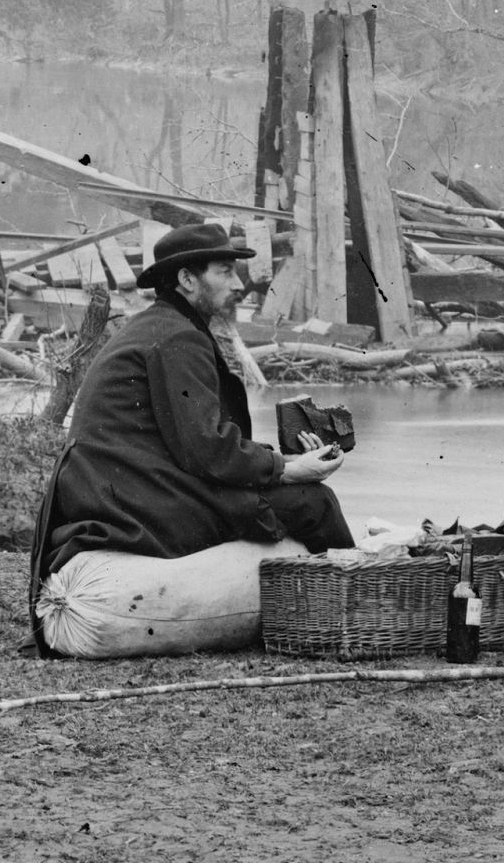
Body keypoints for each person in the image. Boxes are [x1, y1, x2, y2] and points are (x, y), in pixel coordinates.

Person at [26, 222, 354, 656]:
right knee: (315, 503)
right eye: (224, 271)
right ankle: (359, 609)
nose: (238, 284)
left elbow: (197, 442)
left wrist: (277, 463)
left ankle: (332, 604)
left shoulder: (158, 326)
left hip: (118, 487)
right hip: (137, 499)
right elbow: (206, 449)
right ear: (186, 279)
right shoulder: (177, 337)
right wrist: (287, 470)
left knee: (296, 496)